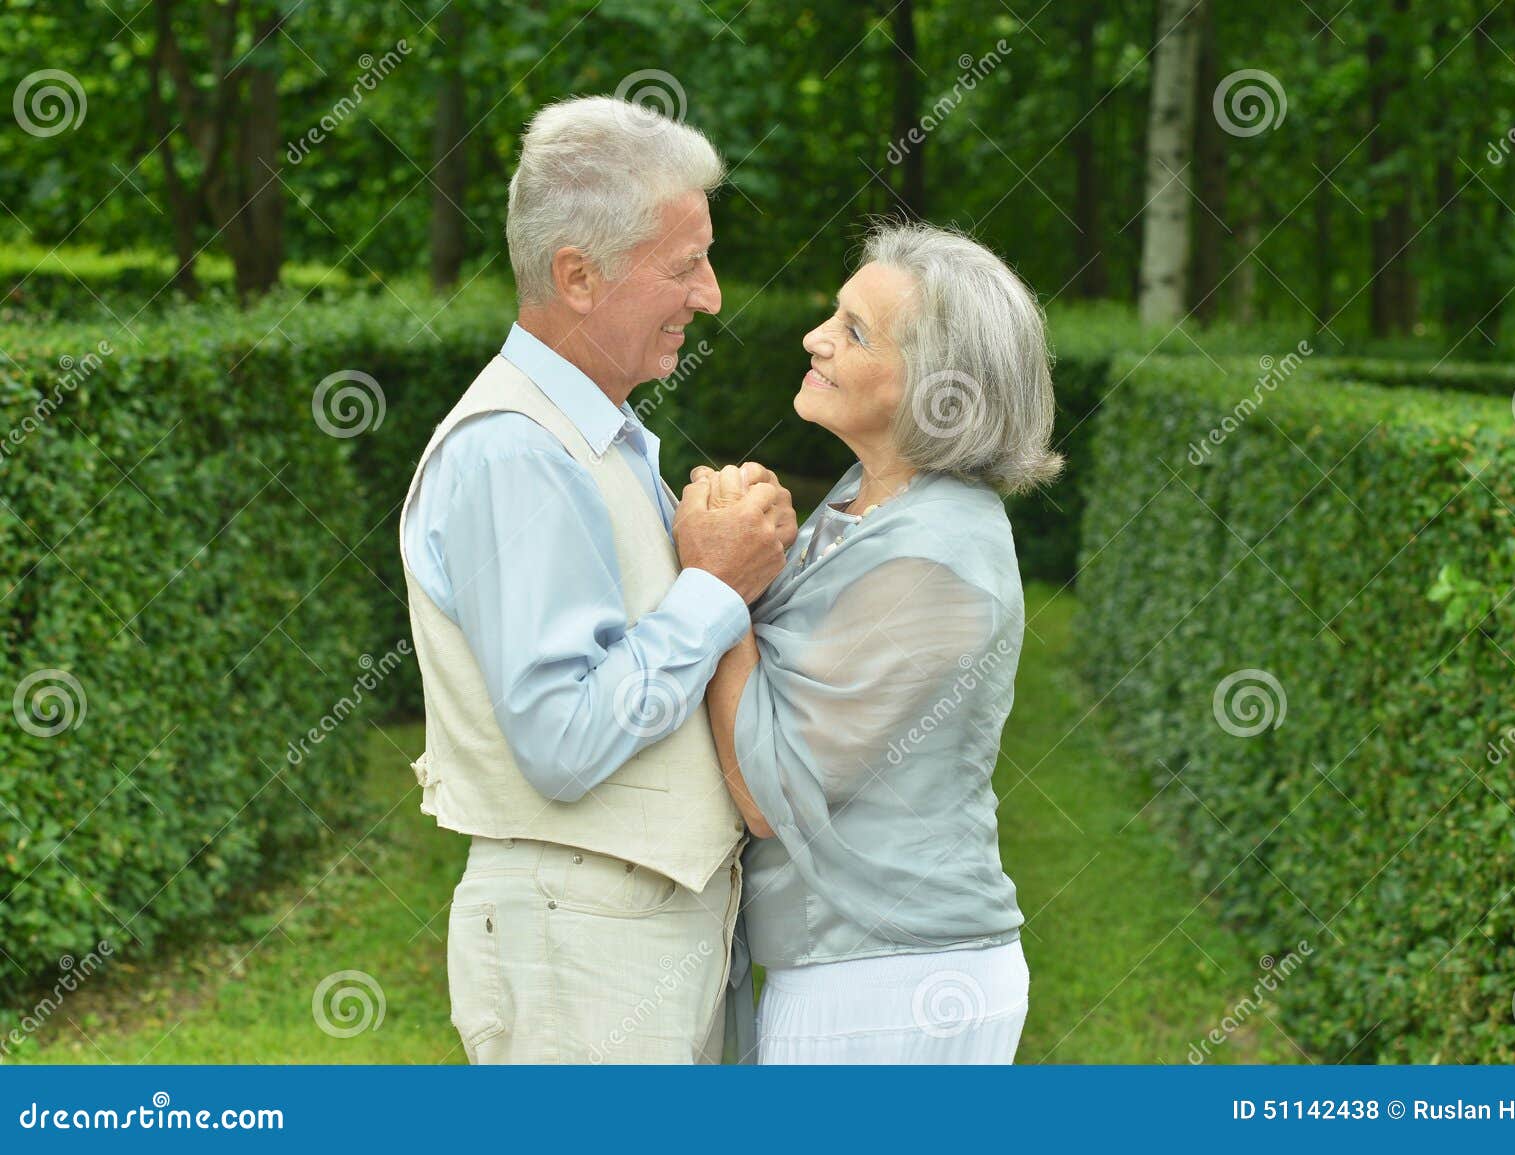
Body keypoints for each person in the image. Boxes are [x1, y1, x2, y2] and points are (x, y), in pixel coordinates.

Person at [399, 94, 796, 1064]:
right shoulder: (514, 454)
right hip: (582, 948)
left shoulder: (589, 437)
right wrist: (712, 585)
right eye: (684, 265)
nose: (709, 294)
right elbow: (565, 739)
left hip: (615, 936)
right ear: (577, 276)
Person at [696, 221, 1061, 1064]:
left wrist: (715, 583)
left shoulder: (939, 553)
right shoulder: (873, 497)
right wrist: (764, 549)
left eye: (854, 332)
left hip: (889, 984)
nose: (814, 338)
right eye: (836, 313)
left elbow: (766, 789)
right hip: (859, 969)